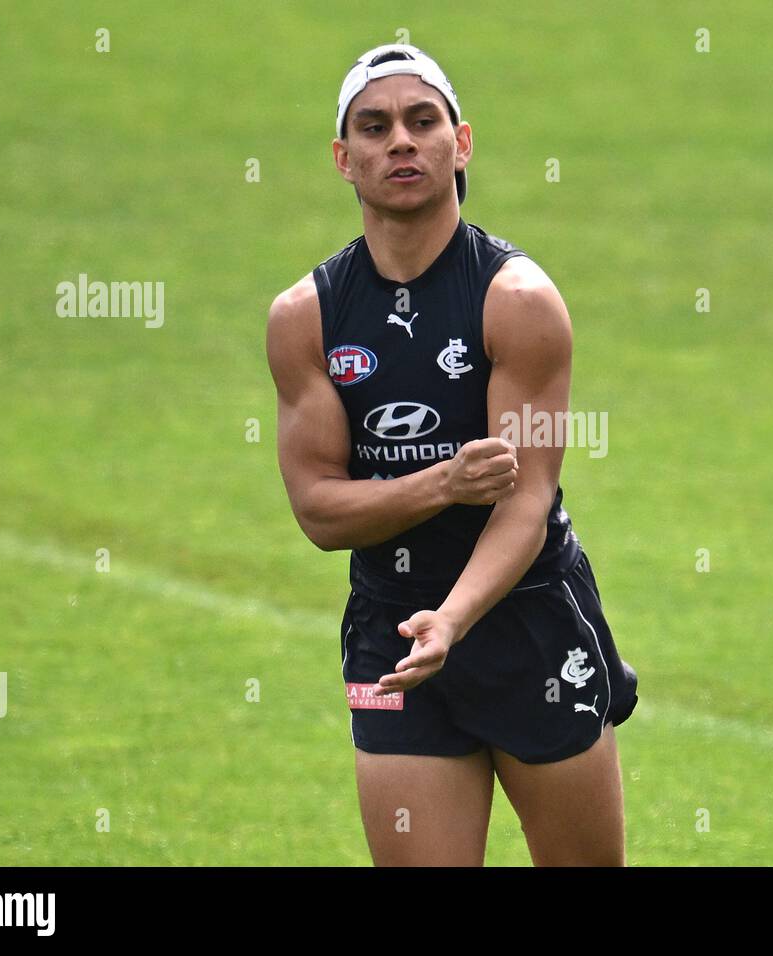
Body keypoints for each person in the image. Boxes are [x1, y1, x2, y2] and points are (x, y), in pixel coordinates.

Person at [265, 43, 639, 866]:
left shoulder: (520, 303)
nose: (400, 140)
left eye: (421, 121)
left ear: (460, 144)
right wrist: (442, 481)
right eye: (375, 126)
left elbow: (525, 502)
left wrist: (456, 620)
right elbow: (320, 513)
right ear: (344, 159)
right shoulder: (307, 320)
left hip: (530, 623)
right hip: (388, 634)